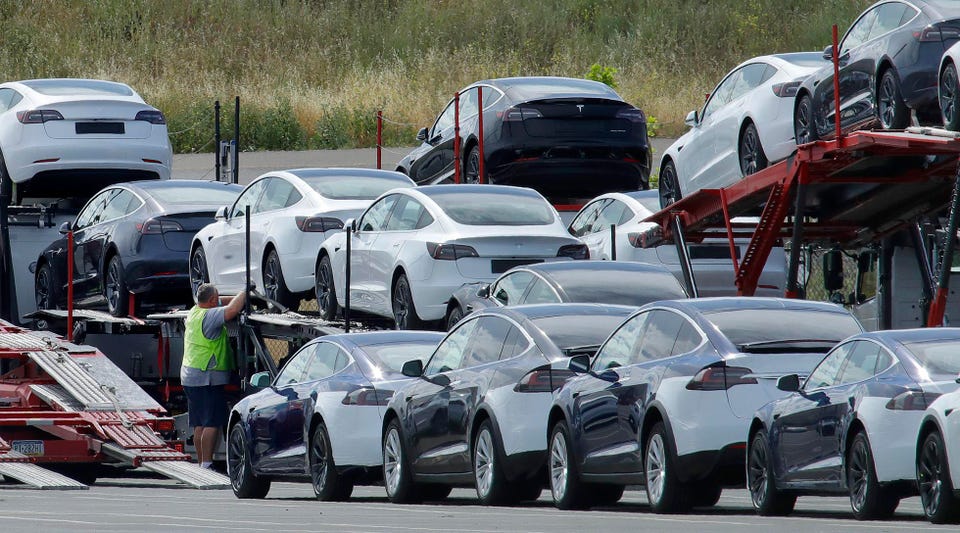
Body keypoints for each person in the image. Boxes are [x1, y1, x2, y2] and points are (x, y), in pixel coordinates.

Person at [181, 283, 247, 469]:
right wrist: (245, 291)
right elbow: (232, 309)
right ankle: (208, 464)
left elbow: (223, 302)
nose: (218, 301)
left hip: (190, 375)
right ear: (211, 301)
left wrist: (240, 298)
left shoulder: (195, 311)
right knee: (212, 422)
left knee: (199, 423)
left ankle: (202, 463)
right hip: (207, 376)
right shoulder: (210, 316)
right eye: (216, 299)